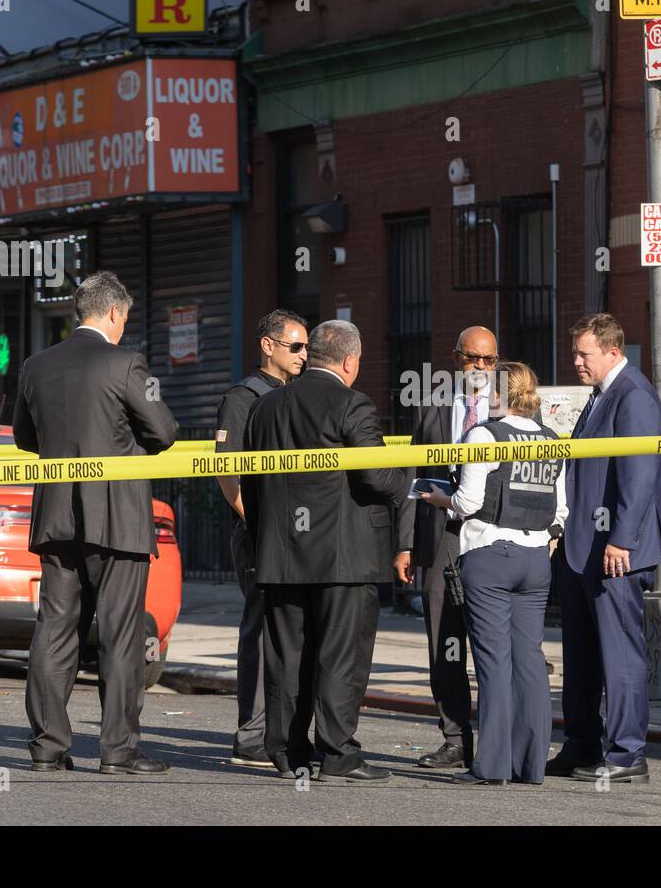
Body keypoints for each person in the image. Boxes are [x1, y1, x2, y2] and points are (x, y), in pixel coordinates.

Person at [12, 271, 179, 774]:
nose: (125, 326)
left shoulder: (35, 365)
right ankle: (119, 751)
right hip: (118, 519)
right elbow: (166, 431)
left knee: (55, 632)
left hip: (57, 518)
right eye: (125, 317)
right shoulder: (125, 362)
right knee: (122, 636)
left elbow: (24, 437)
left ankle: (46, 748)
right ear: (113, 313)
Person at [242, 320, 407, 783]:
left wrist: (263, 538)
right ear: (350, 361)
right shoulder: (353, 404)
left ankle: (289, 751)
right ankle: (337, 754)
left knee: (286, 657)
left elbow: (252, 484)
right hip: (344, 556)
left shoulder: (266, 407)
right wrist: (405, 479)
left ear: (312, 354)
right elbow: (376, 476)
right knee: (341, 655)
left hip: (282, 553)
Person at [419, 362, 567, 785]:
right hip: (536, 559)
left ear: (500, 394)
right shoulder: (552, 440)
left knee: (494, 664)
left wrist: (435, 498)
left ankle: (493, 767)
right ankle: (531, 766)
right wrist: (548, 539)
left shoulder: (484, 434)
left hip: (490, 556)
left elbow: (467, 502)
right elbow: (560, 511)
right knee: (530, 663)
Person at [545, 313, 661, 784]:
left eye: (584, 354)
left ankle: (627, 754)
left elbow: (639, 475)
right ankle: (581, 745)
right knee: (580, 654)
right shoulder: (602, 395)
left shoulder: (633, 395)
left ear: (613, 351)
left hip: (615, 548)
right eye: (575, 352)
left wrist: (622, 539)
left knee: (619, 654)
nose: (576, 361)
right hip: (582, 548)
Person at [392, 326, 497, 769]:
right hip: (443, 535)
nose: (479, 367)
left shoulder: (511, 406)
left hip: (494, 535)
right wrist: (404, 546)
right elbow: (414, 476)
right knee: (444, 641)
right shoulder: (433, 405)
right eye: (472, 358)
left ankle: (497, 742)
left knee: (492, 641)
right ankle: (456, 739)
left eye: (488, 360)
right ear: (456, 358)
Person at [214, 309, 308, 768]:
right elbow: (226, 470)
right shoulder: (243, 398)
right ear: (268, 346)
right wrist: (255, 520)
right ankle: (251, 733)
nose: (303, 355)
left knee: (289, 630)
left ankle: (281, 728)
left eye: (307, 347)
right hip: (259, 533)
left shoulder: (297, 395)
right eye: (295, 346)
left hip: (297, 531)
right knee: (259, 628)